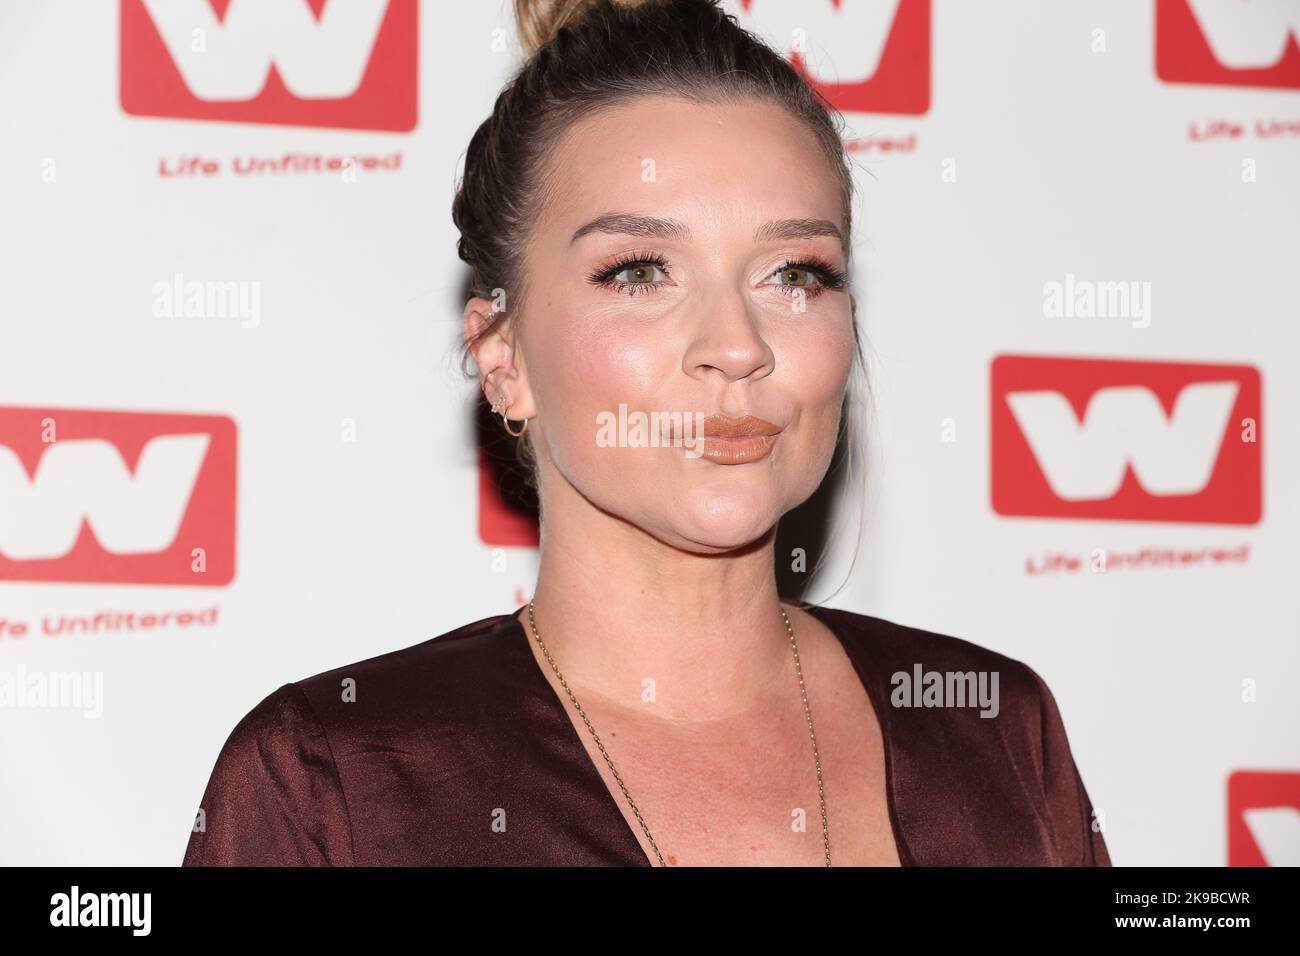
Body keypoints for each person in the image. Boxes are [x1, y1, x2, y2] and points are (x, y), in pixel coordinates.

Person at [183, 0, 1110, 867]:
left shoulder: (994, 731)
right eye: (638, 272)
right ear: (502, 354)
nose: (737, 346)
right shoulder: (334, 783)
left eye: (795, 273)